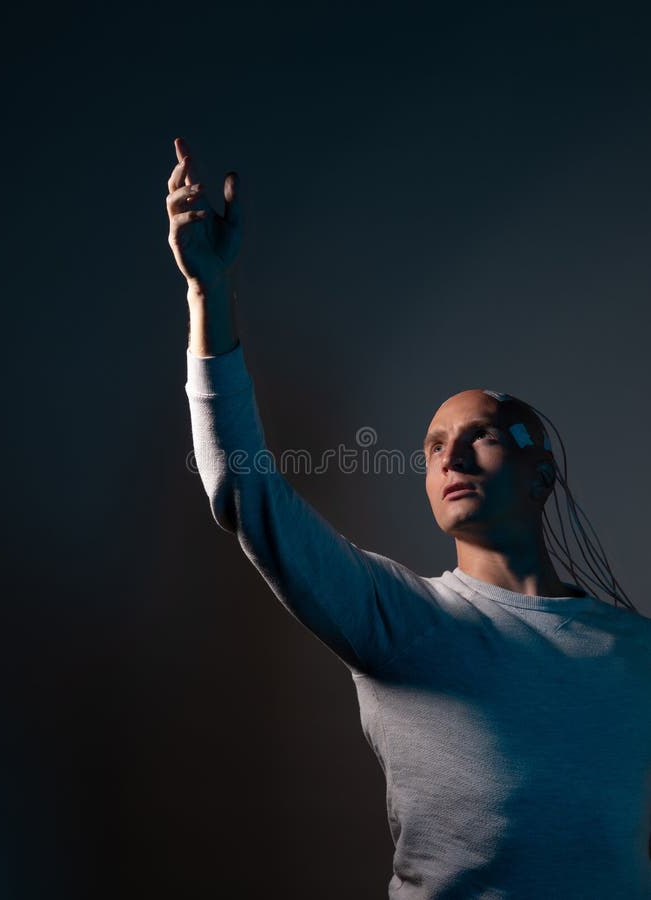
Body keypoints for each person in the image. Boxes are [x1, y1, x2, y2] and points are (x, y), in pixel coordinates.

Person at [166, 137, 651, 898]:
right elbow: (242, 490)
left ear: (541, 472)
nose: (450, 458)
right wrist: (209, 295)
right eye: (432, 447)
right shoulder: (402, 618)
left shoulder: (635, 652)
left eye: (478, 437)